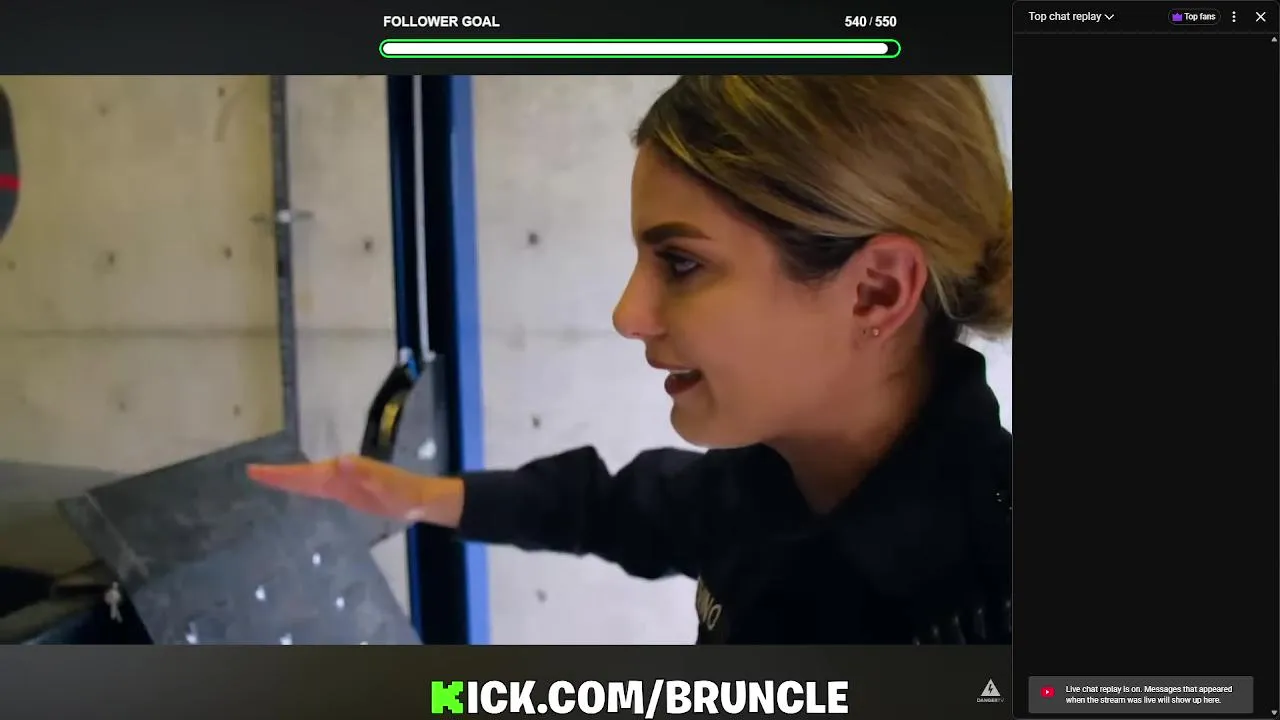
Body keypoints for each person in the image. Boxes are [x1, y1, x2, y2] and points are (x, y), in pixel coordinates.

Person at [248, 75, 1013, 645]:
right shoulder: (771, 481)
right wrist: (416, 496)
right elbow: (614, 508)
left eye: (682, 263)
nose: (627, 315)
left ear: (877, 292)